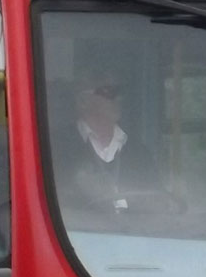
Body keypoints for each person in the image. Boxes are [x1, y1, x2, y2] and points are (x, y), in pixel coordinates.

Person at [58, 79, 159, 211]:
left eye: (119, 93)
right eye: (108, 92)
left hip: (135, 224)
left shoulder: (139, 151)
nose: (118, 99)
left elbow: (156, 200)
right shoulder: (59, 147)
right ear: (83, 101)